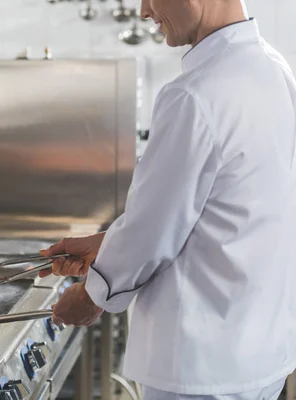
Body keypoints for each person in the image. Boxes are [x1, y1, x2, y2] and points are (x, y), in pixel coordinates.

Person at [40, 0, 296, 399]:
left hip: (198, 367)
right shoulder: (273, 69)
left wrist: (91, 296)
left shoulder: (195, 95)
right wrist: (108, 244)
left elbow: (151, 235)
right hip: (260, 356)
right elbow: (225, 213)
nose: (144, 11)